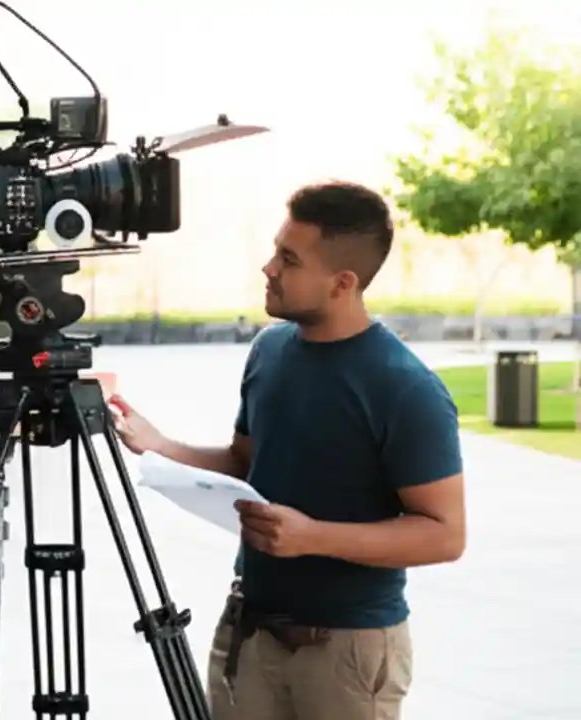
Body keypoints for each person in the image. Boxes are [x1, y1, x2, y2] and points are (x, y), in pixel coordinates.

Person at [110, 181, 466, 720]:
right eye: (277, 250)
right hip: (248, 632)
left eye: (289, 259)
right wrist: (160, 445)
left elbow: (445, 534)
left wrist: (312, 537)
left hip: (347, 651)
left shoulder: (404, 387)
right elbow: (247, 462)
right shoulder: (269, 350)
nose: (268, 268)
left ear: (341, 283)